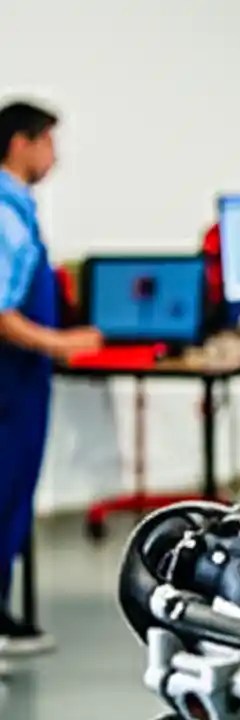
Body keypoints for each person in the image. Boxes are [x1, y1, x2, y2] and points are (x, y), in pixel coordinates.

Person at [0, 100, 103, 657]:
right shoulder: (2, 215)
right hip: (9, 383)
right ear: (21, 142)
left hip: (22, 384)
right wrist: (64, 343)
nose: (55, 156)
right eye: (49, 143)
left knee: (12, 499)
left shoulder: (19, 210)